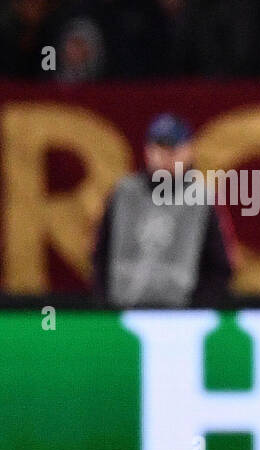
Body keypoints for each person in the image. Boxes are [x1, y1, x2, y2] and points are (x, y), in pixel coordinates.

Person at [92, 113, 233, 308]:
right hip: (122, 312)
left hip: (179, 316)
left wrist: (196, 310)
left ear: (189, 151)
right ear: (147, 151)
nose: (166, 158)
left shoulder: (201, 200)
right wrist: (105, 304)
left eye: (173, 150)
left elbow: (219, 266)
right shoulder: (124, 193)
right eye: (159, 149)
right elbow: (100, 256)